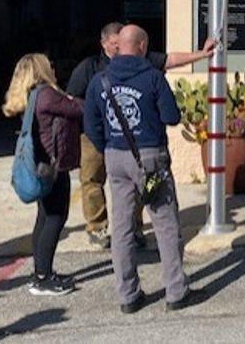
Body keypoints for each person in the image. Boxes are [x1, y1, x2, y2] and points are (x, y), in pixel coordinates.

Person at [84, 25, 202, 313]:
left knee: (122, 227)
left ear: (118, 47)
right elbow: (171, 117)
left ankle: (128, 295)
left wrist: (109, 148)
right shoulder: (152, 78)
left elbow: (91, 126)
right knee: (165, 223)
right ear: (141, 46)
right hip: (150, 157)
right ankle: (176, 291)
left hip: (115, 157)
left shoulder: (99, 81)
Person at [67, 22, 216, 249]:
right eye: (115, 44)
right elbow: (72, 100)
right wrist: (99, 137)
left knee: (137, 186)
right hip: (97, 136)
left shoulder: (143, 62)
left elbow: (170, 60)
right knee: (92, 180)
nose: (120, 49)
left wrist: (202, 55)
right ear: (104, 43)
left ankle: (134, 228)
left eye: (123, 43)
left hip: (134, 140)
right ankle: (97, 226)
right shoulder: (90, 68)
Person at [2, 53, 84, 296]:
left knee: (44, 217)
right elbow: (77, 109)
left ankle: (40, 270)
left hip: (41, 165)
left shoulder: (30, 95)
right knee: (55, 218)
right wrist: (72, 98)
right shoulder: (47, 95)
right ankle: (43, 277)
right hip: (53, 165)